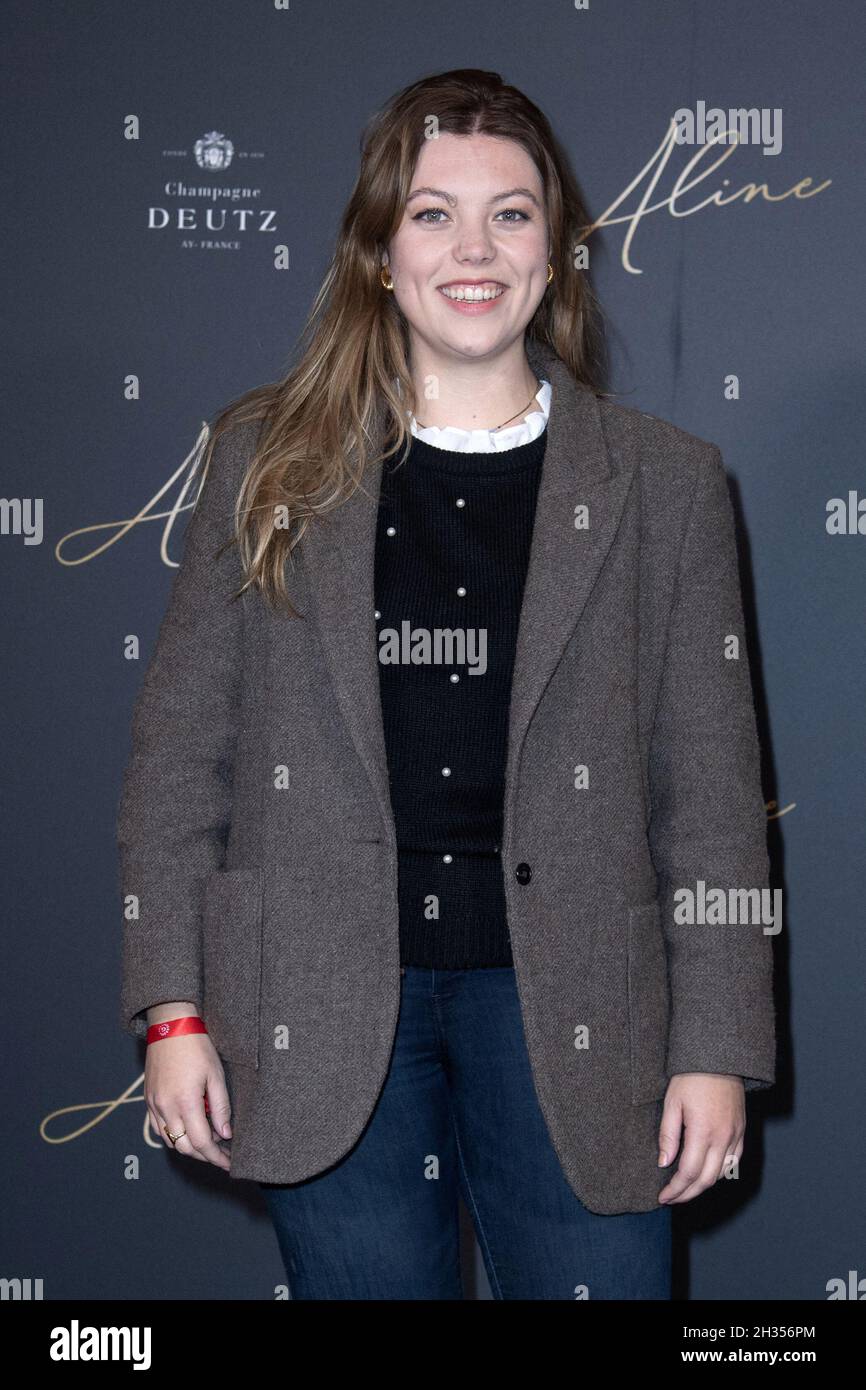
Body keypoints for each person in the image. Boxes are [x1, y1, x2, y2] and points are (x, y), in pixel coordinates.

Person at [117, 68, 775, 1301]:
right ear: (377, 251)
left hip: (581, 1005)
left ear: (555, 250)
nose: (472, 249)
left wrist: (717, 1049)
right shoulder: (261, 464)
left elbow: (714, 802)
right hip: (319, 1000)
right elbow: (180, 760)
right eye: (431, 213)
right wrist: (173, 1008)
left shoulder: (665, 483)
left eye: (510, 213)